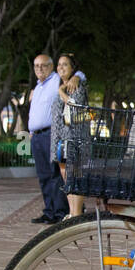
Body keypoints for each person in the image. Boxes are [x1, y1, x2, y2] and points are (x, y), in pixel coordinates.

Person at [27, 53, 67, 224]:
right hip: (36, 136)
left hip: (51, 133)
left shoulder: (56, 80)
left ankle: (60, 211)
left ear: (51, 66)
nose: (39, 69)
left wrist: (76, 78)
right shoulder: (37, 87)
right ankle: (49, 211)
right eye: (36, 66)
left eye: (43, 65)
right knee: (43, 175)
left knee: (54, 174)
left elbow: (78, 74)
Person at [50, 53, 87, 218]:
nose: (61, 68)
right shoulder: (62, 84)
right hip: (60, 139)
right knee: (66, 176)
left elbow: (75, 107)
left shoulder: (77, 86)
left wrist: (61, 92)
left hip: (74, 137)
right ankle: (72, 212)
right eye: (59, 64)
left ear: (73, 69)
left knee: (75, 174)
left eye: (65, 65)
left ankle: (77, 213)